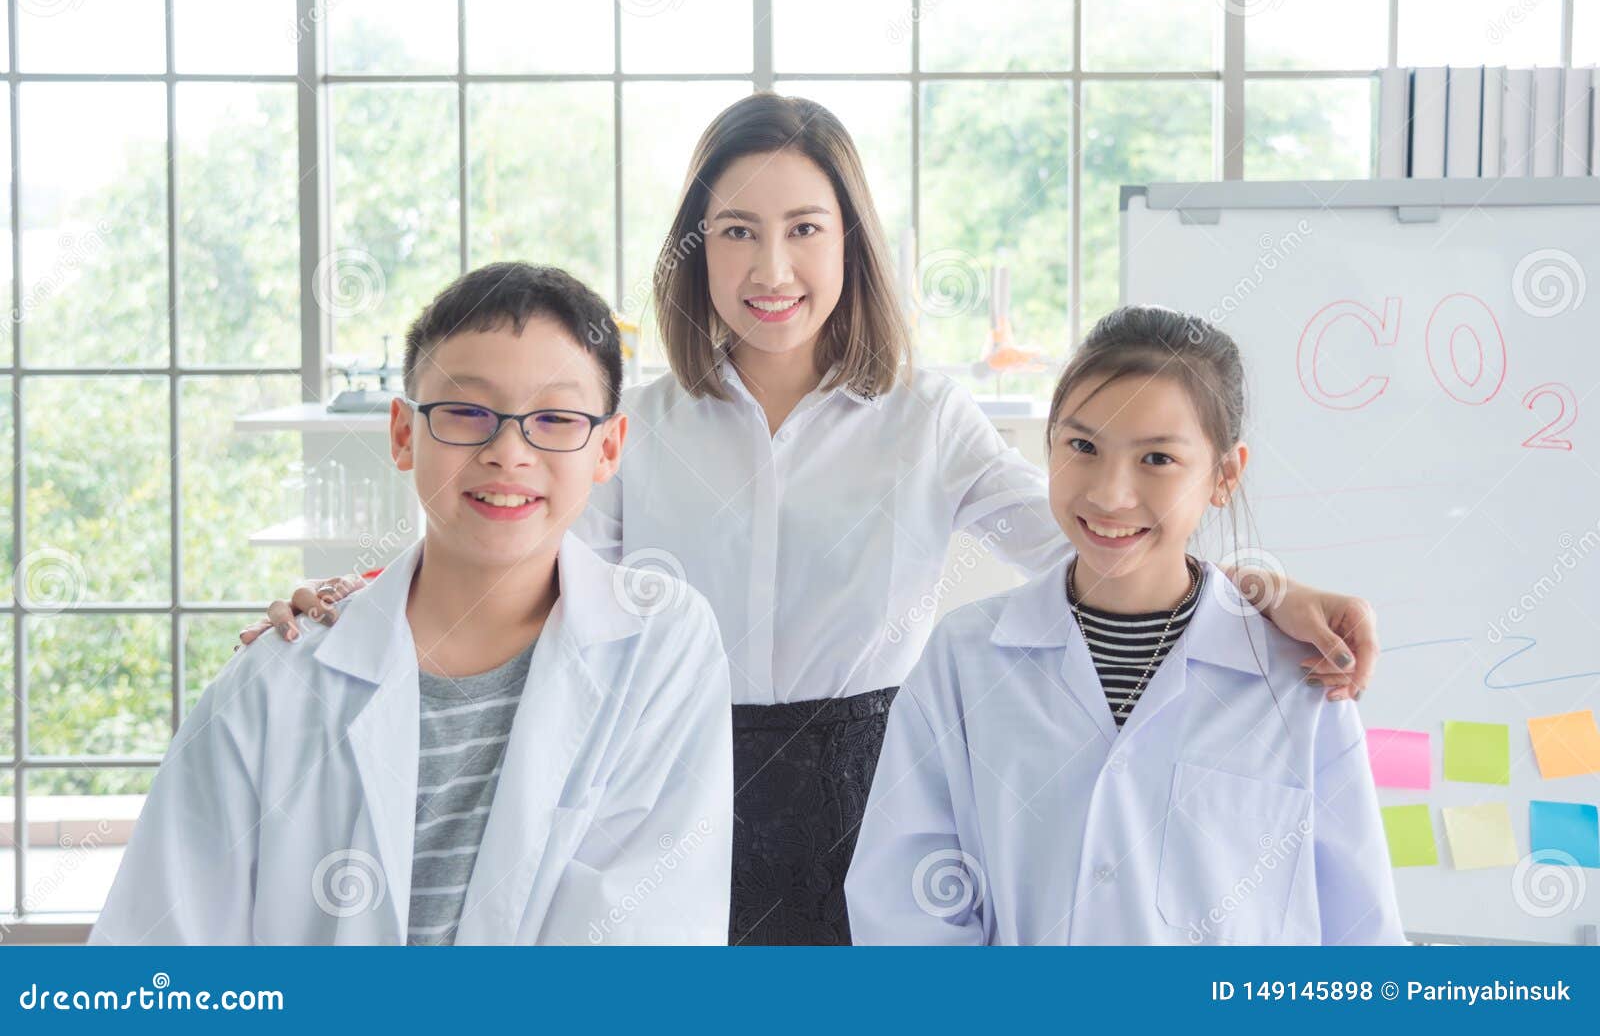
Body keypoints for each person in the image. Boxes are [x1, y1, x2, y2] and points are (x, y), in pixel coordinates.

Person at [238, 94, 1379, 945]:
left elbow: (1095, 536)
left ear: (850, 241)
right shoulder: (643, 420)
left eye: (803, 228)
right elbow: (520, 566)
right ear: (695, 248)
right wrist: (359, 602)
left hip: (870, 783)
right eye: (734, 231)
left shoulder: (924, 413)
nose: (769, 266)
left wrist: (1271, 592)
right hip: (669, 763)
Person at [93, 264, 732, 945]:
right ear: (403, 434)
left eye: (554, 418)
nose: (508, 451)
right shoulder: (279, 677)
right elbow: (159, 954)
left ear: (608, 447)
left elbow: (647, 944)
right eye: (466, 412)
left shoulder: (659, 648)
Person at [844, 305, 1403, 945]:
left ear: (1224, 476)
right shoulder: (965, 658)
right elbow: (904, 908)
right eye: (1082, 446)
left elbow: (1360, 929)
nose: (1110, 494)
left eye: (1157, 459)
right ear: (1049, 445)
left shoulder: (1298, 675)